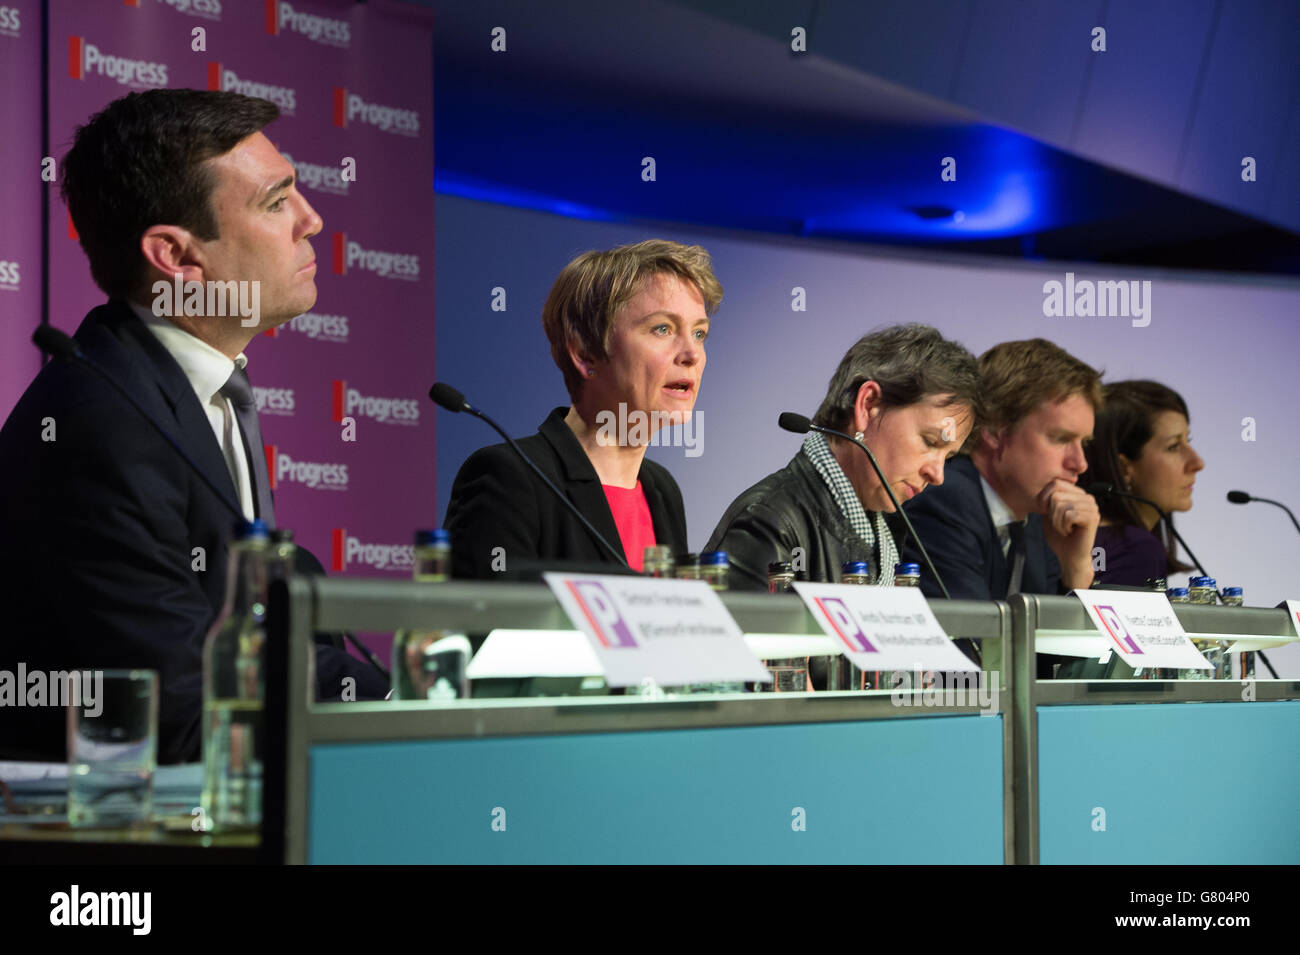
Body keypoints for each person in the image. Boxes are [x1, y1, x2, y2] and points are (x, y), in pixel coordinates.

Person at [0, 90, 388, 765]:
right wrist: (397, 699)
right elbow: (178, 694)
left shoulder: (202, 385)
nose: (313, 220)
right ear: (178, 257)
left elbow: (264, 624)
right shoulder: (101, 421)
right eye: (276, 202)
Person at [444, 240, 721, 578]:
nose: (691, 354)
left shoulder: (661, 490)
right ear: (585, 353)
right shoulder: (511, 478)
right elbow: (487, 625)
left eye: (699, 333)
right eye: (662, 328)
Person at [706, 324, 980, 591]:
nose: (938, 475)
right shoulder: (769, 523)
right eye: (930, 441)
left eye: (949, 456)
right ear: (868, 405)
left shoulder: (887, 529)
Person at [900, 338, 1102, 676]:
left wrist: (1077, 570)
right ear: (994, 430)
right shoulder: (946, 499)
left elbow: (1059, 670)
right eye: (1060, 438)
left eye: (1084, 443)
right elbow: (977, 658)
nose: (1080, 463)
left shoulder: (1036, 519)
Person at [1081, 380, 1203, 587]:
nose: (1198, 463)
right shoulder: (1135, 549)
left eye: (1188, 442)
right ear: (1123, 467)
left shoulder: (1078, 540)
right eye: (1173, 447)